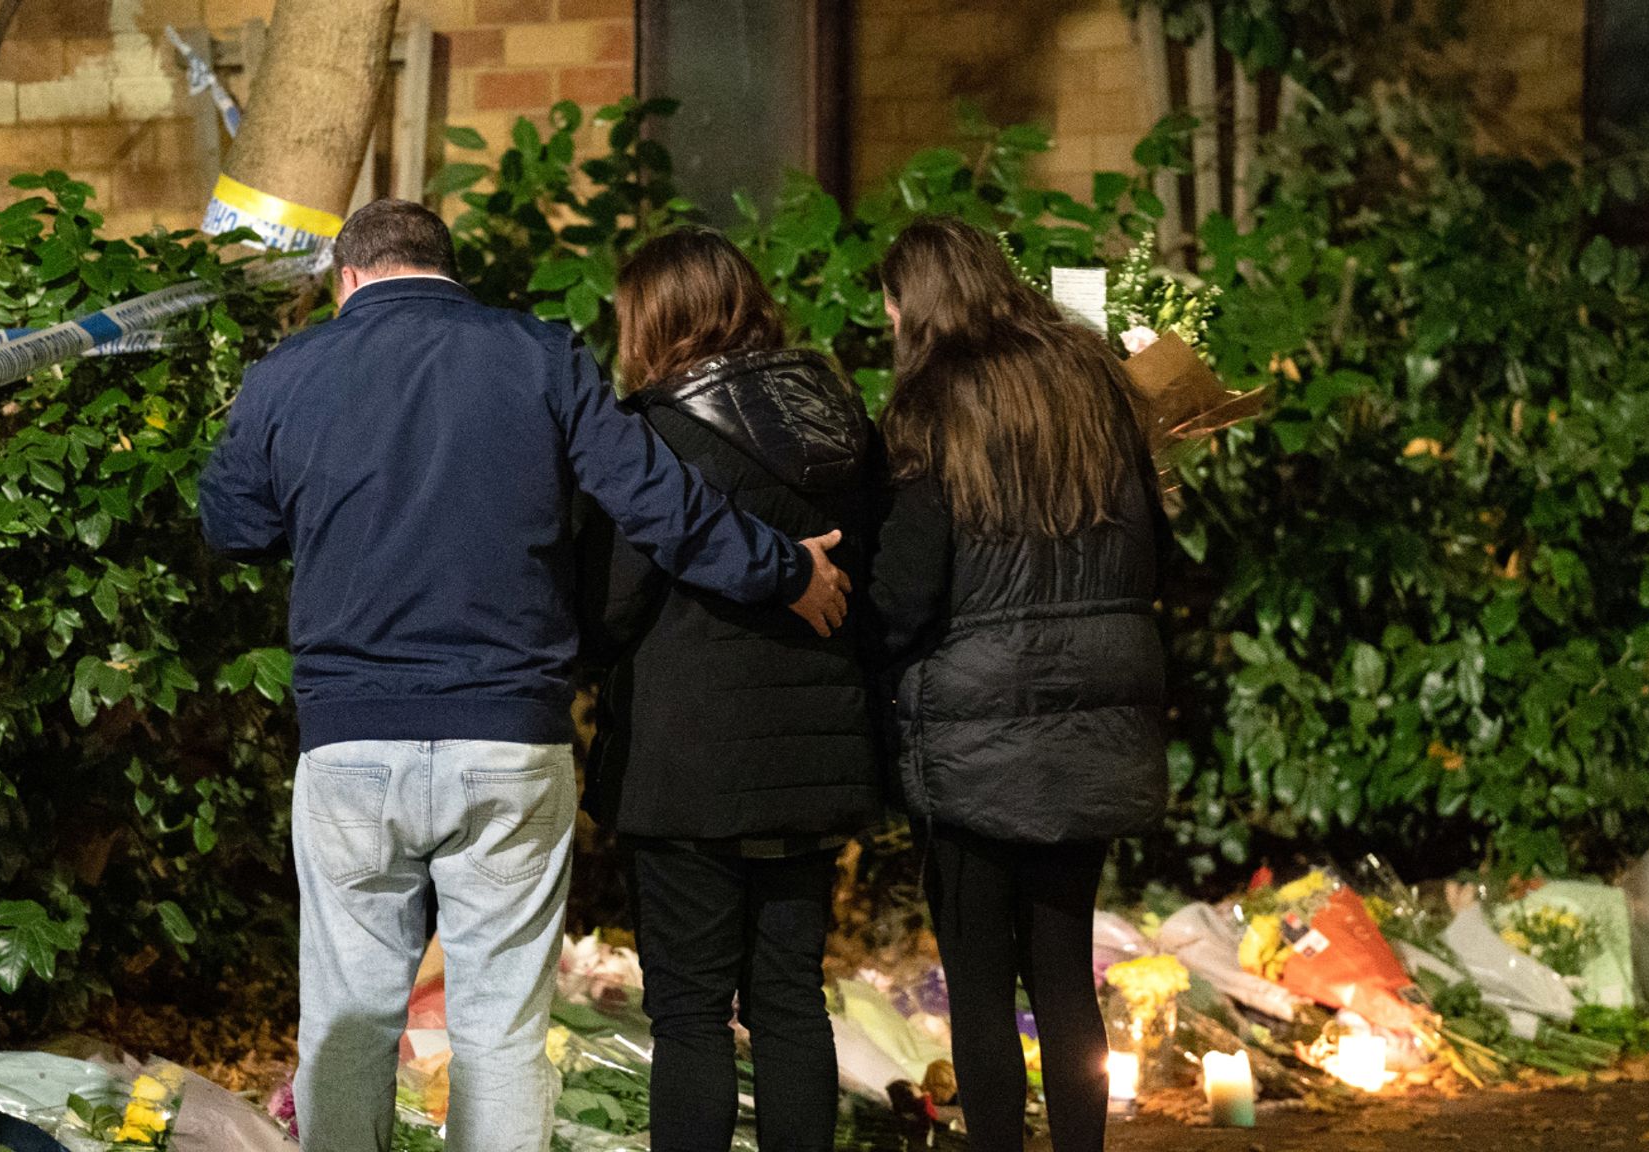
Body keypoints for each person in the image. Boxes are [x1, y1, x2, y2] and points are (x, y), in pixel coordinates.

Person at [198, 199, 853, 1152]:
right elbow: (657, 502)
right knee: (500, 1030)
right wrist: (786, 571)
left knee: (350, 1022)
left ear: (346, 279)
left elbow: (231, 523)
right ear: (448, 269)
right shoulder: (537, 354)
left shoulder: (288, 371)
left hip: (351, 739)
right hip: (509, 732)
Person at [867, 217, 1170, 1152]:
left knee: (983, 984)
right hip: (1093, 716)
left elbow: (908, 589)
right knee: (1065, 969)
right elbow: (1155, 545)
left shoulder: (930, 407)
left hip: (974, 737)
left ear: (912, 303)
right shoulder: (1092, 382)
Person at [578, 228, 882, 1152]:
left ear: (655, 320)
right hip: (812, 755)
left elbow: (614, 603)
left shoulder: (655, 436)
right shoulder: (835, 415)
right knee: (790, 999)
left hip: (687, 764)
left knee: (690, 1014)